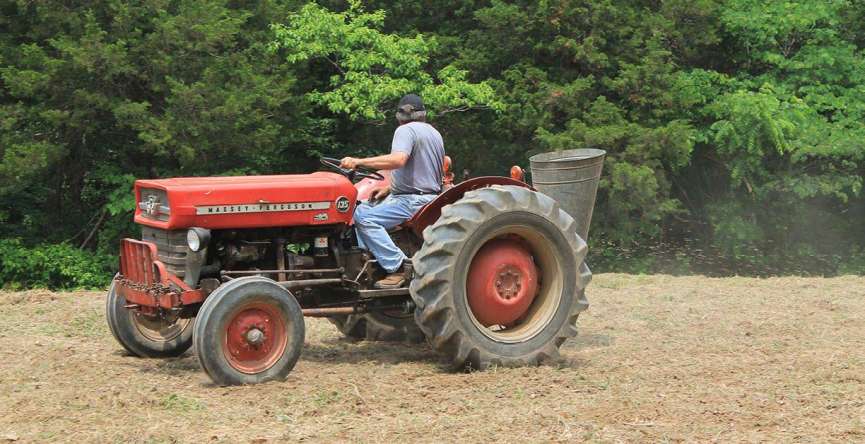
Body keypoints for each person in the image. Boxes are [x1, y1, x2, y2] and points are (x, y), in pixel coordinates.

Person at [340, 94, 444, 288]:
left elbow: (398, 160)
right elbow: (423, 169)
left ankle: (397, 267)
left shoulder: (405, 131)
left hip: (411, 201)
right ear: (424, 114)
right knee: (361, 207)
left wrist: (358, 161)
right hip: (425, 197)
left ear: (401, 114)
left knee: (363, 217)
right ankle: (370, 260)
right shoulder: (433, 133)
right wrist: (390, 188)